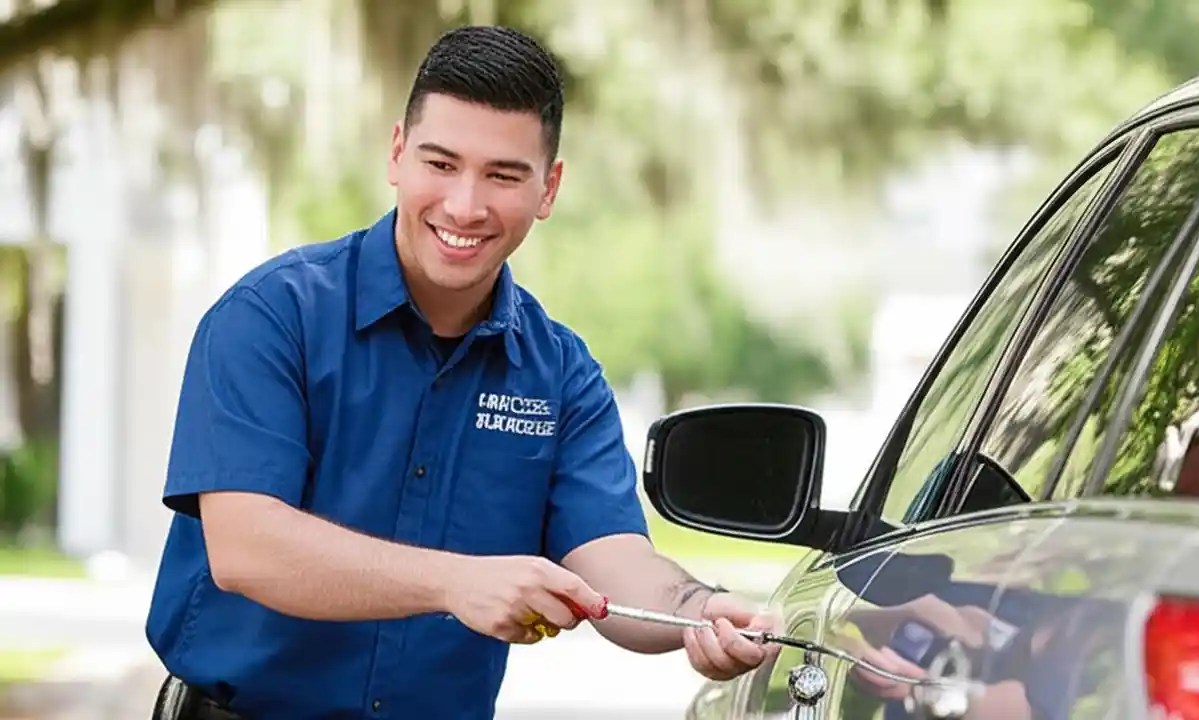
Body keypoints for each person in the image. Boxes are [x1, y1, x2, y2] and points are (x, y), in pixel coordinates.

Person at [146, 25, 778, 720]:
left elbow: (614, 562)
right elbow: (246, 549)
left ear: (549, 188)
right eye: (441, 164)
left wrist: (699, 611)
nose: (465, 206)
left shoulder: (561, 376)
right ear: (396, 154)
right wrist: (454, 584)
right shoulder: (270, 318)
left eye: (503, 175)